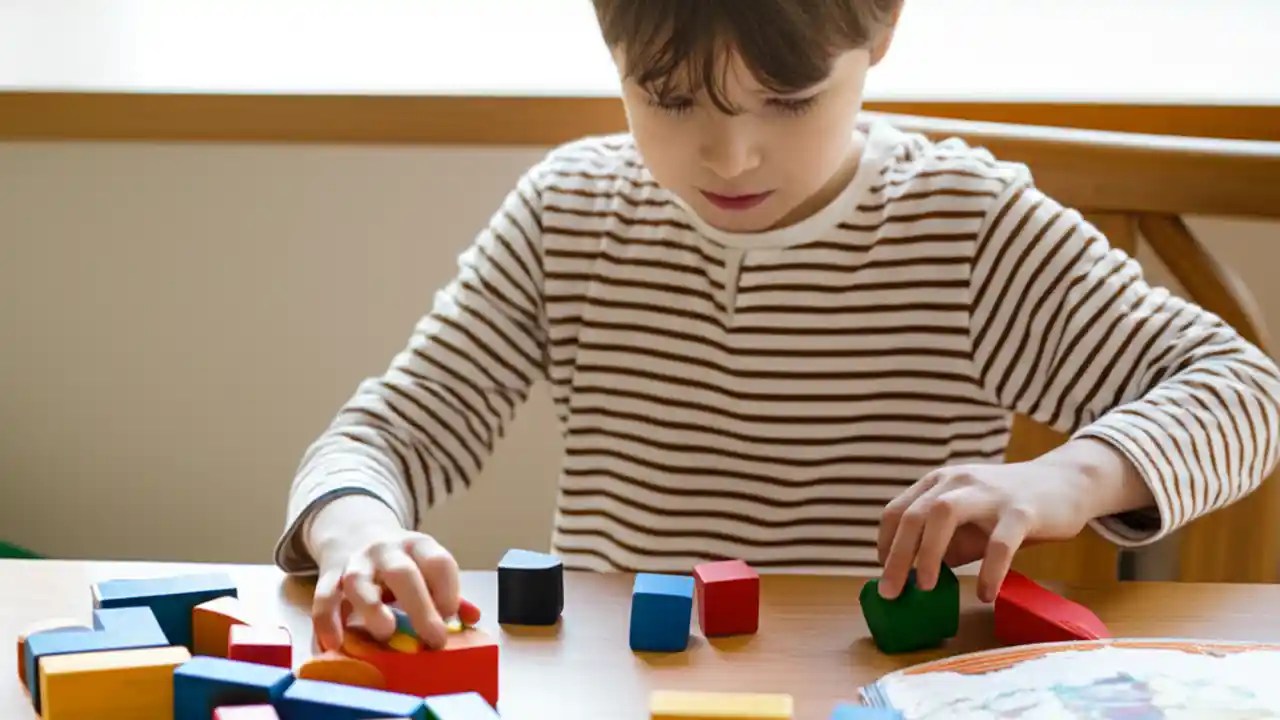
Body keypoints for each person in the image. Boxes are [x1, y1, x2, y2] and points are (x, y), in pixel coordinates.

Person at [273, 0, 1280, 653]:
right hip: (625, 689)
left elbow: (1244, 391)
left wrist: (1062, 477)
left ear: (878, 33)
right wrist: (359, 533)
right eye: (666, 99)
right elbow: (379, 436)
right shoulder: (570, 212)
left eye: (787, 100)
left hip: (871, 690)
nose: (730, 155)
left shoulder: (961, 224)